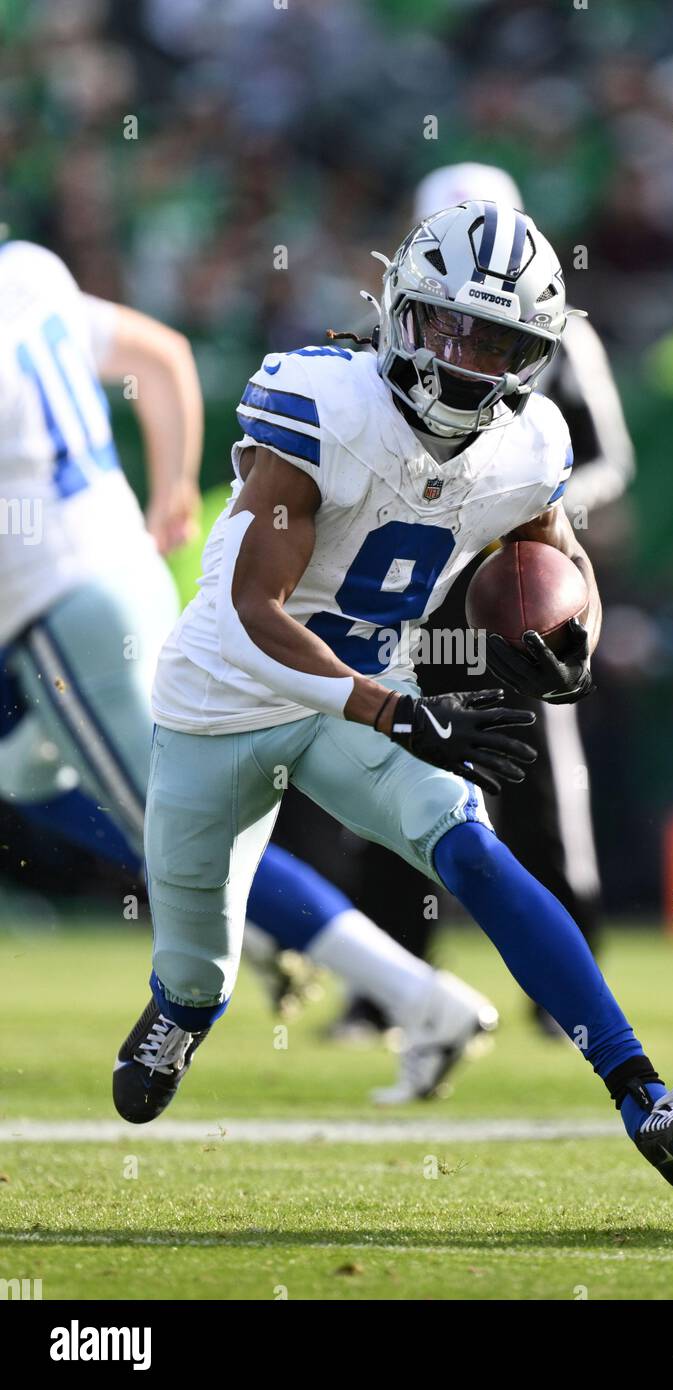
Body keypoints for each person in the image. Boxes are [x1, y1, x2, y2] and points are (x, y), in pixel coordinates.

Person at [113, 201, 673, 1200]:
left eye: (496, 340)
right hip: (226, 688)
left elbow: (560, 556)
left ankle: (642, 1092)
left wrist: (576, 642)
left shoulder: (528, 443)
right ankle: (184, 1009)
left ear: (533, 356)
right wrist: (396, 712)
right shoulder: (323, 402)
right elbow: (250, 610)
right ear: (399, 310)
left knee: (474, 850)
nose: (464, 356)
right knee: (197, 965)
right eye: (448, 325)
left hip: (367, 690)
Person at [0, 236, 496, 1107]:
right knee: (28, 775)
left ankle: (419, 999)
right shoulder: (28, 274)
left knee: (189, 824)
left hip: (58, 603)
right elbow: (162, 356)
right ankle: (272, 940)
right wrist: (170, 493)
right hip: (119, 568)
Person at [339, 163, 635, 1039]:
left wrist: (537, 518)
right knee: (395, 773)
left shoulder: (557, 340)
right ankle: (389, 983)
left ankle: (564, 988)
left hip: (512, 576)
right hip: (414, 586)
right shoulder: (382, 331)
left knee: (542, 779)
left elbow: (606, 461)